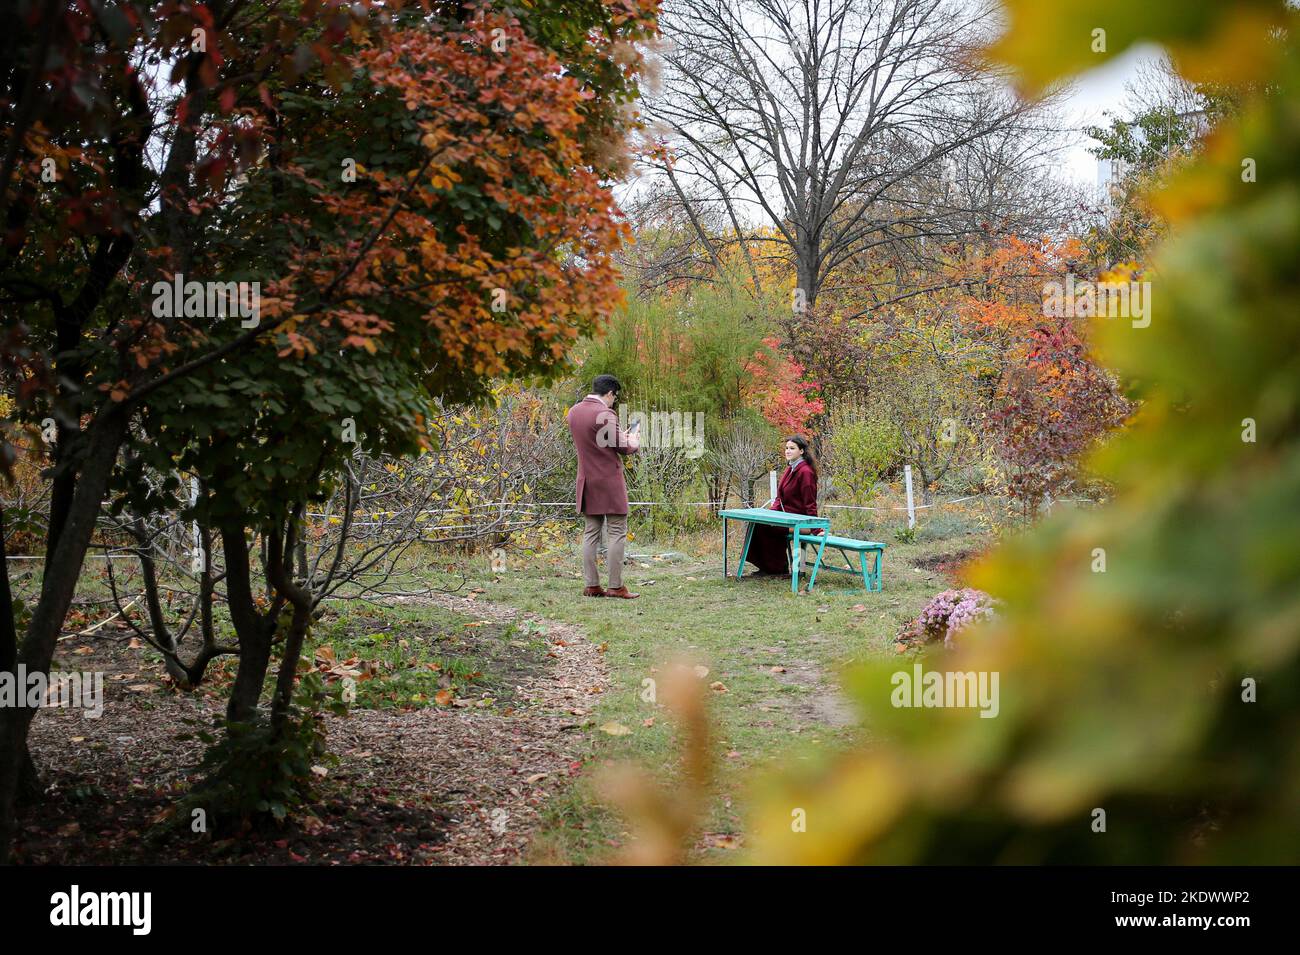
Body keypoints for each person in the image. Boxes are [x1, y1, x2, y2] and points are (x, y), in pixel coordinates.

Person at [566, 374, 641, 598]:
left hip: (587, 480)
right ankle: (616, 586)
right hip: (609, 481)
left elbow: (598, 442)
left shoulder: (574, 412)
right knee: (617, 531)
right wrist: (634, 439)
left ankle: (592, 585)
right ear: (609, 393)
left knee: (591, 533)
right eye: (614, 397)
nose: (613, 402)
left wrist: (619, 436)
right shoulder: (604, 413)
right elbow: (625, 449)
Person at [743, 435, 819, 577]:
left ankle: (777, 568)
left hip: (801, 522)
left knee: (768, 527)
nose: (788, 451)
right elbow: (779, 498)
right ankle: (769, 567)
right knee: (759, 523)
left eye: (792, 448)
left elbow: (810, 502)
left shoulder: (805, 472)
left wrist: (816, 527)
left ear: (801, 451)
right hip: (786, 518)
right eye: (786, 448)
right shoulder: (790, 468)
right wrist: (772, 515)